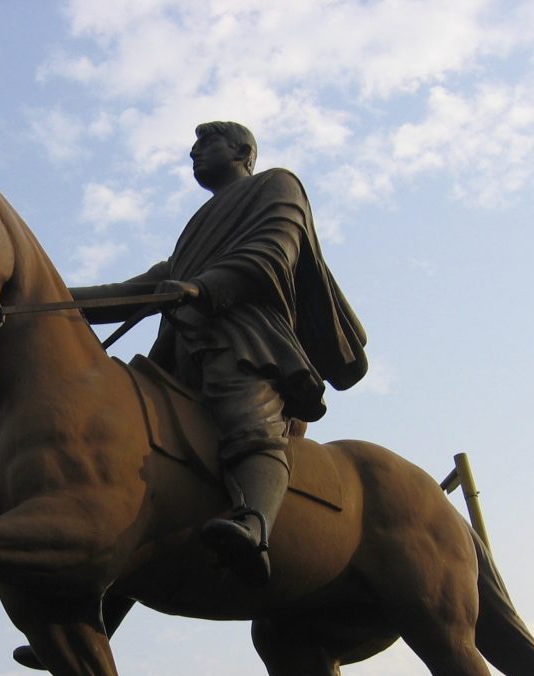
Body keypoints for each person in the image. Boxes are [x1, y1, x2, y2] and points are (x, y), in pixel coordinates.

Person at [76, 121, 367, 585]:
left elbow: (274, 249)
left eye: (206, 143)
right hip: (180, 354)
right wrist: (46, 297)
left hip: (244, 336)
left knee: (246, 415)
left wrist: (203, 286)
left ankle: (254, 525)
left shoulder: (277, 184)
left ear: (243, 152)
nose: (194, 152)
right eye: (193, 146)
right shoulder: (195, 228)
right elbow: (137, 289)